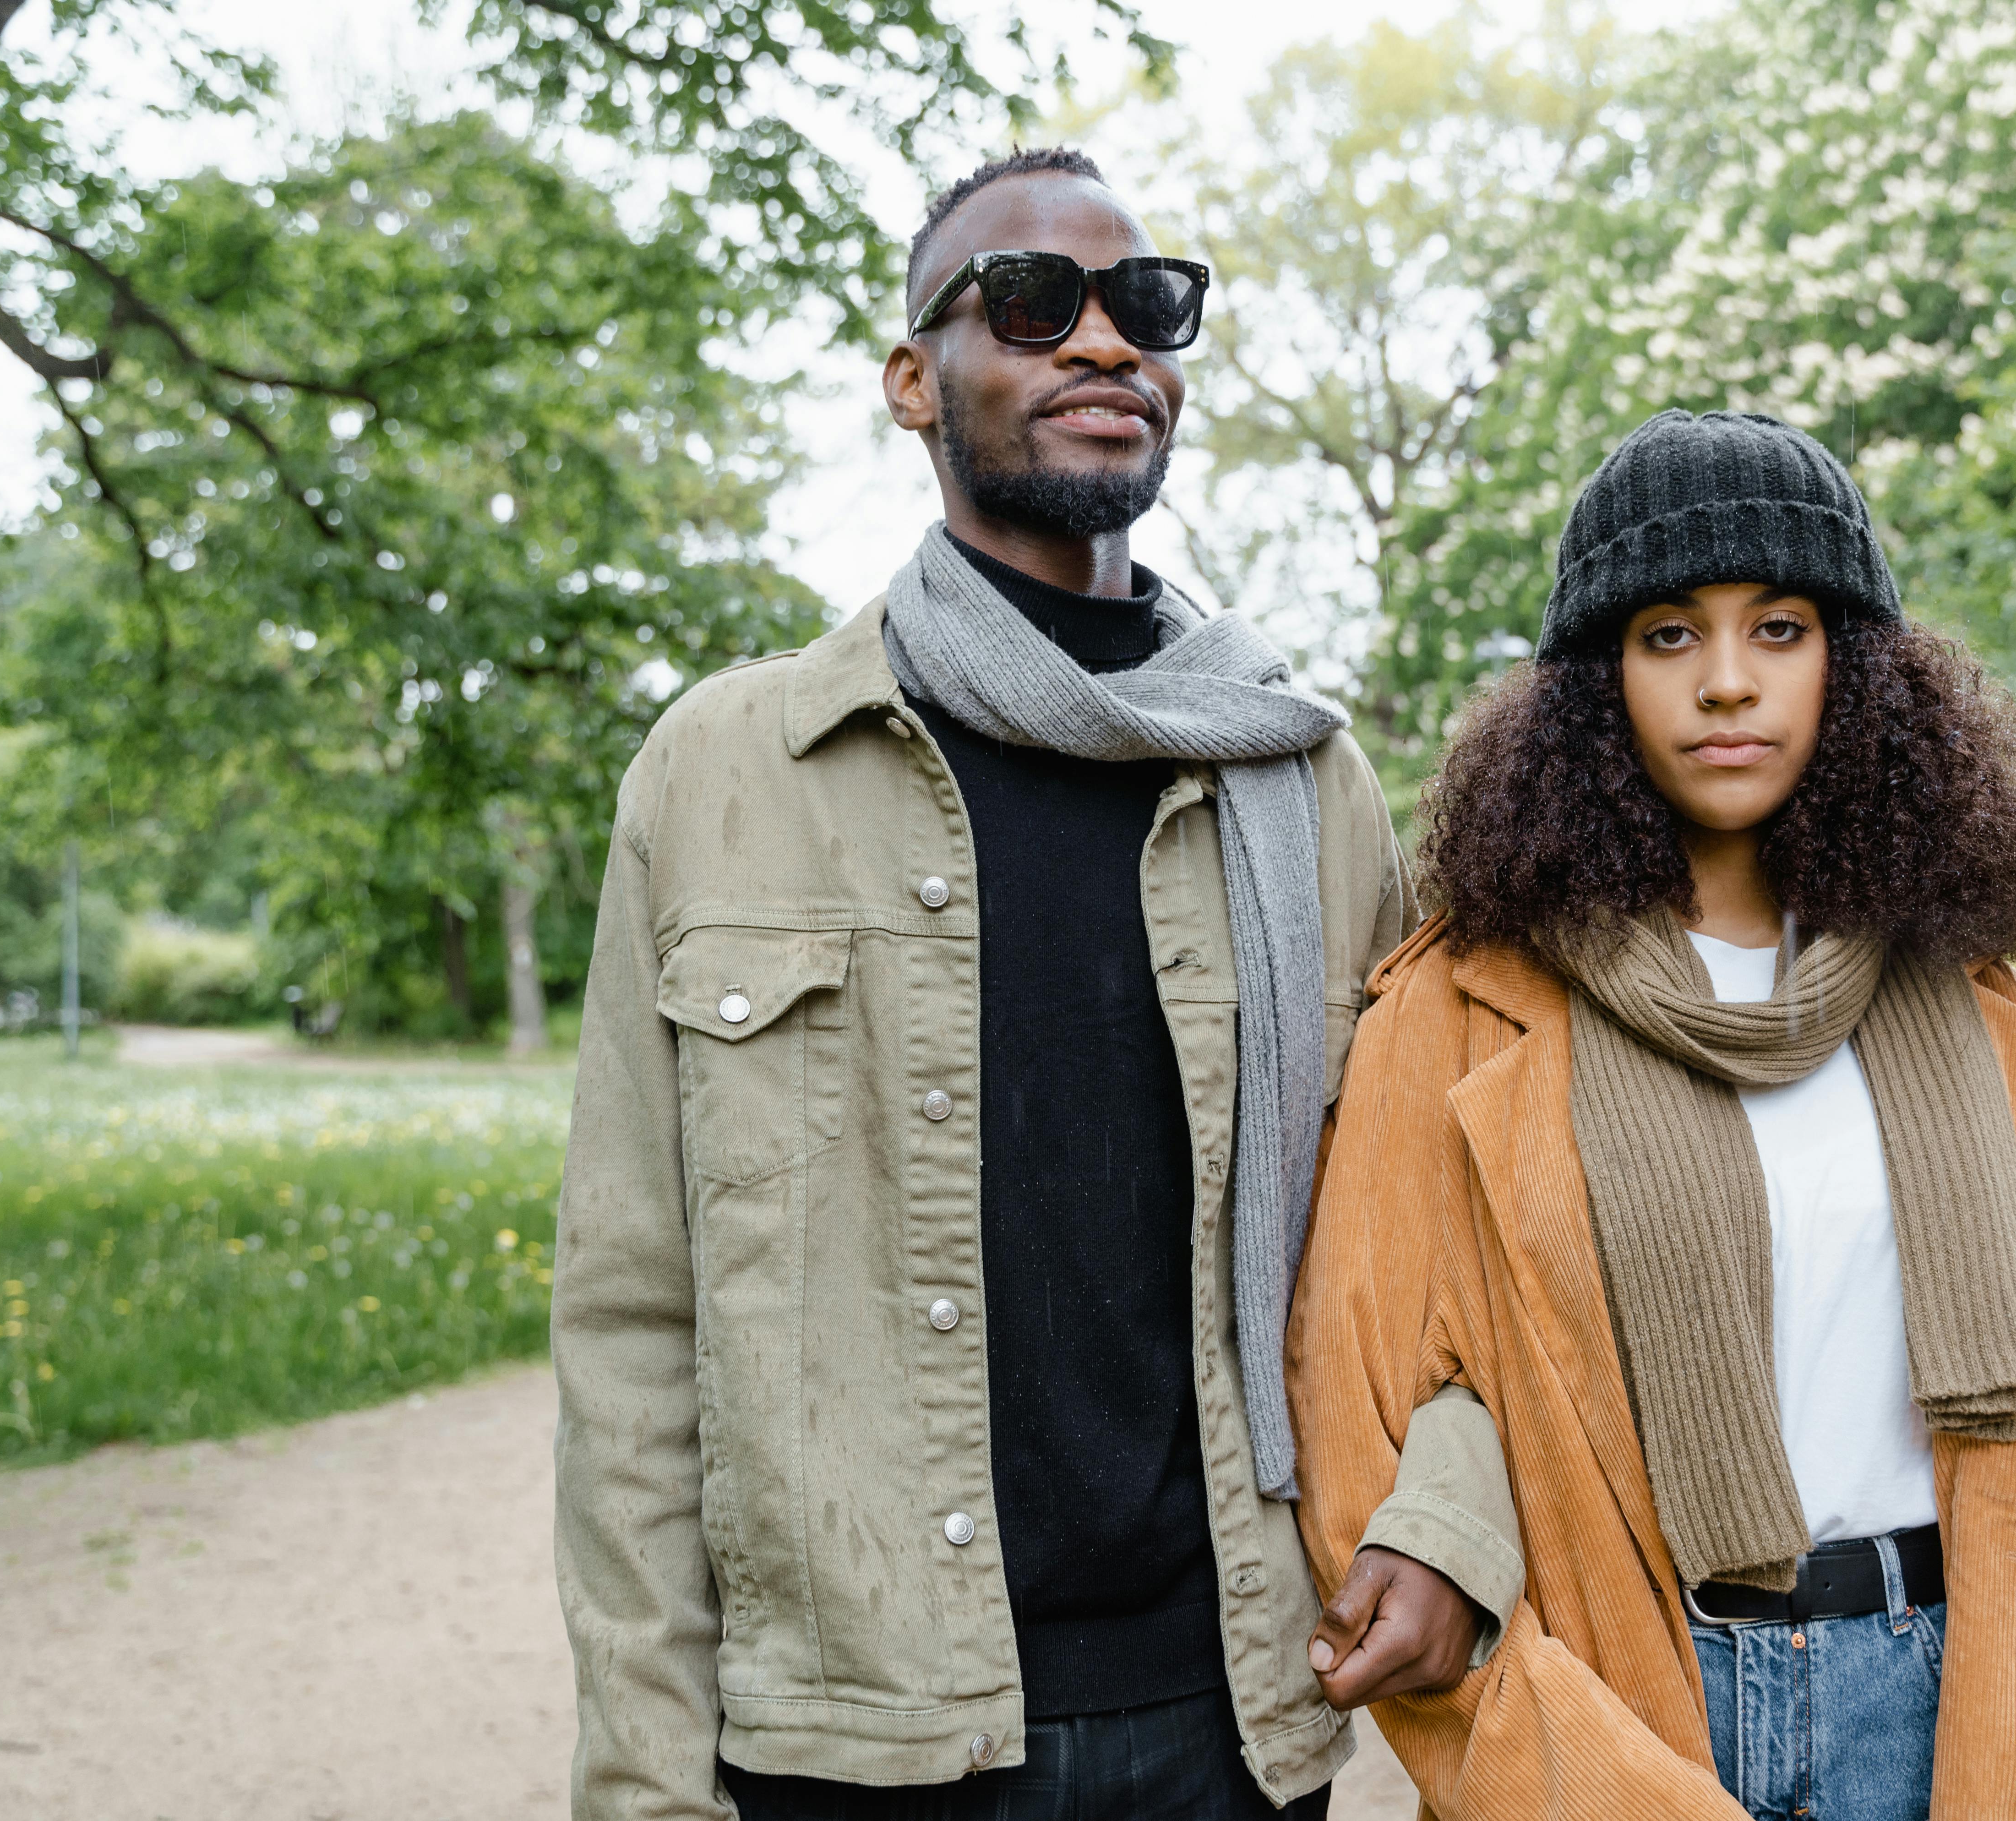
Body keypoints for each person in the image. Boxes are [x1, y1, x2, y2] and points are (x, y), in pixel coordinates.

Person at [551, 146, 1409, 1821]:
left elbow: (1431, 1242)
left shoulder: (1305, 786)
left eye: (1145, 306)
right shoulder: (726, 770)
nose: (1103, 342)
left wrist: (1439, 1527)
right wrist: (646, 1776)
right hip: (851, 1736)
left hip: (1228, 1716)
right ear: (912, 380)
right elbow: (631, 1322)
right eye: (1031, 302)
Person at [1286, 409, 2016, 1820]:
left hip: (1952, 1697)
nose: (1726, 684)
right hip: (1633, 1702)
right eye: (1668, 635)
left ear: (1855, 667)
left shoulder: (1995, 1027)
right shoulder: (1459, 1015)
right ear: (1596, 687)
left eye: (1778, 628)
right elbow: (1358, 1448)